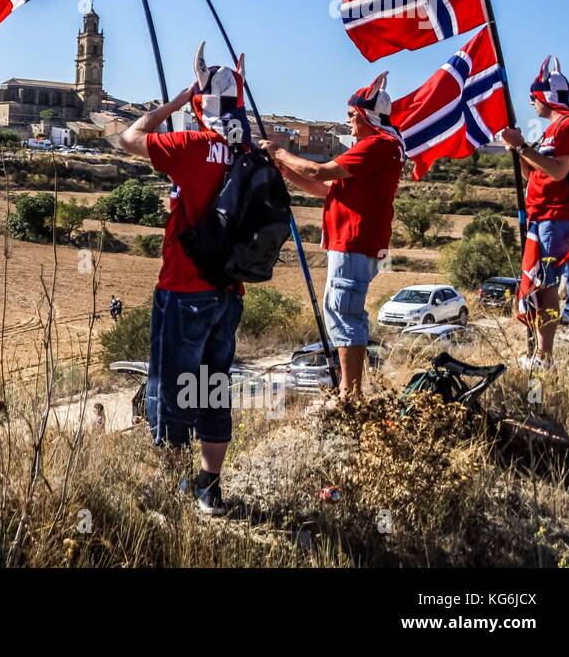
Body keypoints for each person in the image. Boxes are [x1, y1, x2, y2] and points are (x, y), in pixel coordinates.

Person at [113, 43, 248, 517]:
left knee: (172, 390)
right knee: (213, 388)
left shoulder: (191, 147)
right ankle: (209, 490)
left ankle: (173, 499)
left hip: (185, 290)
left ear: (199, 101)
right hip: (229, 293)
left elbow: (128, 138)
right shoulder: (247, 149)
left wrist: (173, 104)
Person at [259, 74, 404, 401]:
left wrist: (279, 153)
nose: (348, 120)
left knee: (343, 311)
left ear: (367, 117)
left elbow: (320, 172)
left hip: (354, 241)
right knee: (342, 310)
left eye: (352, 114)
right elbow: (325, 190)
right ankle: (349, 388)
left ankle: (349, 393)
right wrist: (286, 171)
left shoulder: (378, 146)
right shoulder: (379, 149)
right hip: (356, 241)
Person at [500, 56, 569, 368]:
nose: (531, 105)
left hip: (558, 215)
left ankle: (544, 357)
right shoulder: (554, 129)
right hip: (543, 216)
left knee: (546, 285)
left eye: (532, 99)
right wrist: (519, 150)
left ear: (542, 97)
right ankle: (540, 352)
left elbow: (559, 171)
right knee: (539, 284)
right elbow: (534, 174)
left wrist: (523, 147)